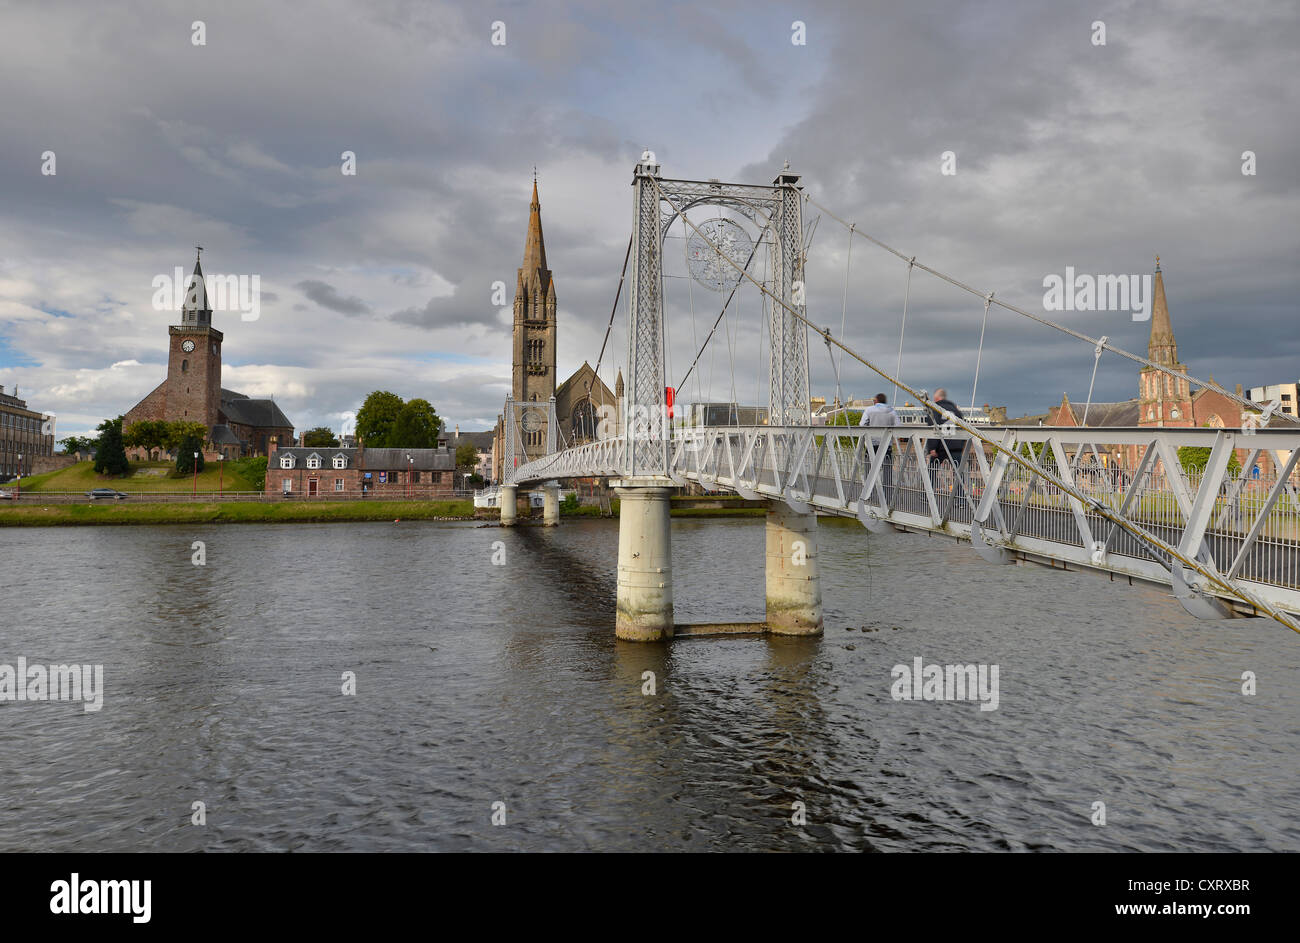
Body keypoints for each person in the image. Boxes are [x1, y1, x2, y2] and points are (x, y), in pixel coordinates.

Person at [859, 393, 899, 501]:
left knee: (869, 469)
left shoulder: (869, 410)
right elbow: (898, 427)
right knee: (887, 471)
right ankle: (888, 495)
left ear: (876, 400)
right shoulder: (892, 411)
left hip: (872, 444)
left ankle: (868, 494)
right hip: (886, 444)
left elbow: (862, 425)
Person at [926, 388, 965, 467]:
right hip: (955, 445)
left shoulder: (935, 408)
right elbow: (963, 427)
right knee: (959, 471)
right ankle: (962, 480)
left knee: (932, 471)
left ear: (936, 398)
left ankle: (930, 480)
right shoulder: (955, 410)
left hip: (940, 446)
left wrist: (932, 447)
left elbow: (934, 427)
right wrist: (961, 444)